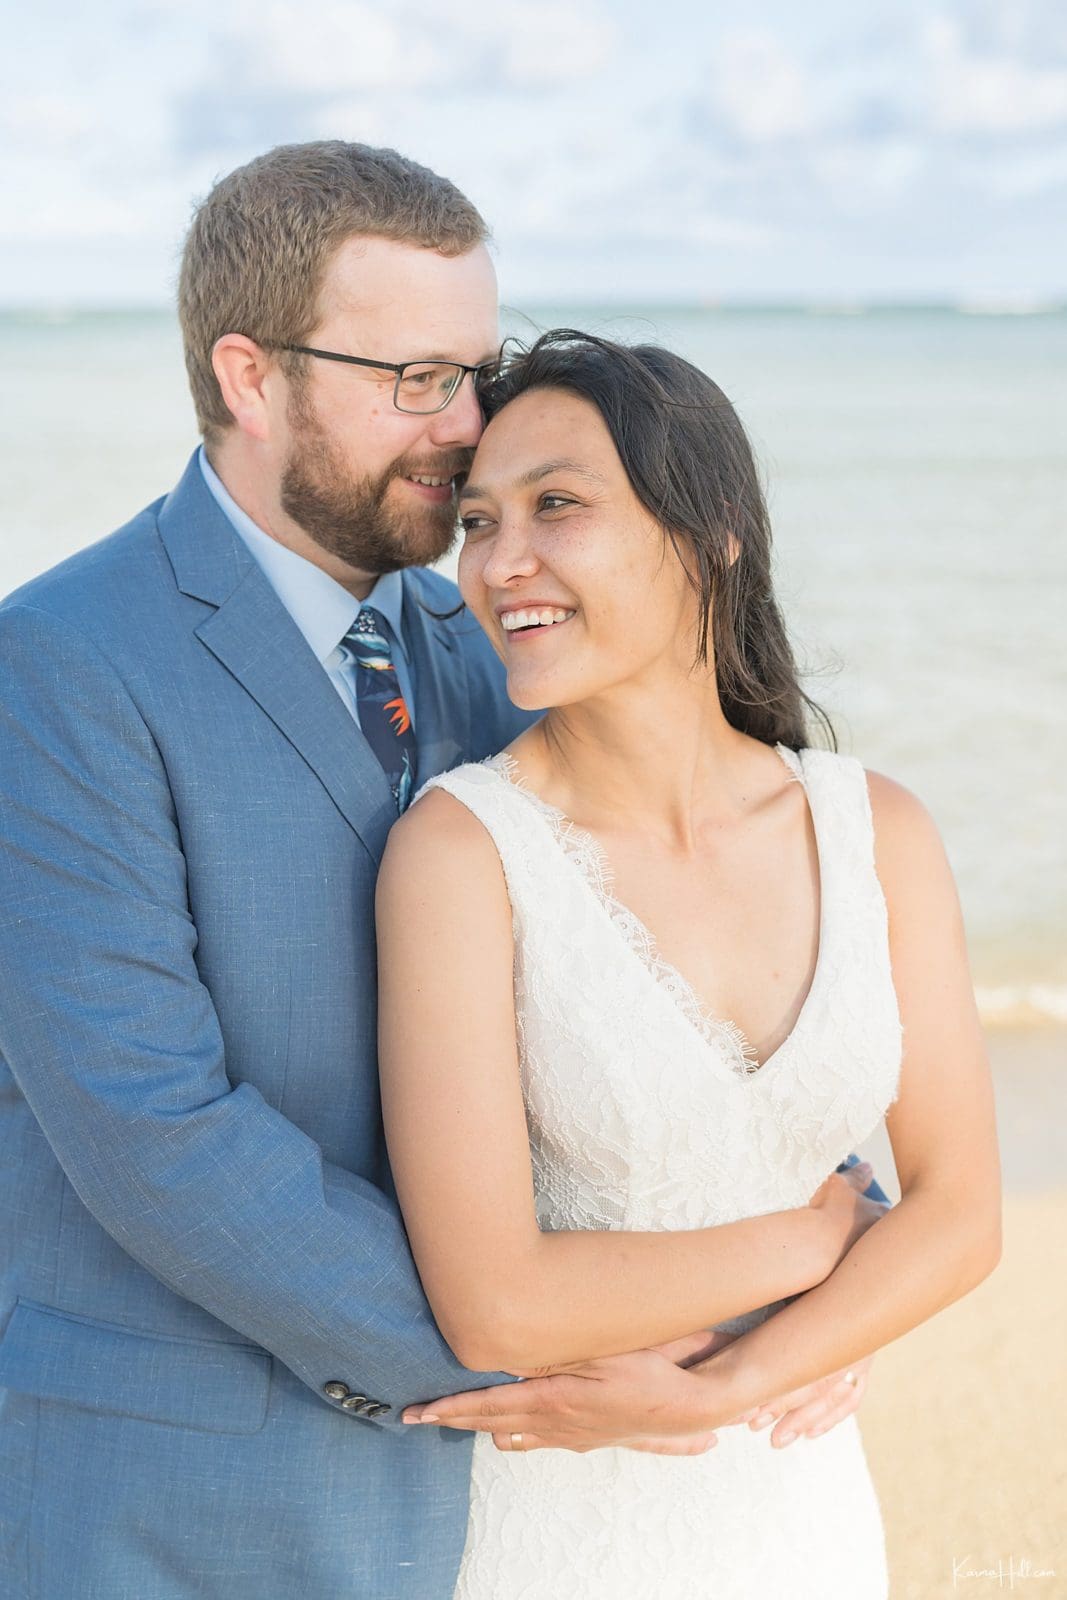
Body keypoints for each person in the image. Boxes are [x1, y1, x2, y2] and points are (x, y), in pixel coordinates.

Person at [0, 141, 878, 1598]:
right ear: (247, 376)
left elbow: (670, 947)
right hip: (178, 1489)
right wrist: (541, 1333)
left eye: (471, 371)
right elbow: (155, 1127)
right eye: (413, 378)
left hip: (512, 1495)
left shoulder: (487, 637)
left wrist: (794, 1272)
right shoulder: (59, 667)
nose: (466, 427)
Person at [377, 331, 1003, 1598]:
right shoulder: (460, 852)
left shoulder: (872, 828)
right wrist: (823, 1238)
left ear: (709, 530)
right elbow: (496, 1302)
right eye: (479, 522)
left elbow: (962, 1213)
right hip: (551, 1524)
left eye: (558, 505)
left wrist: (719, 1389)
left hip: (796, 1507)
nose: (501, 564)